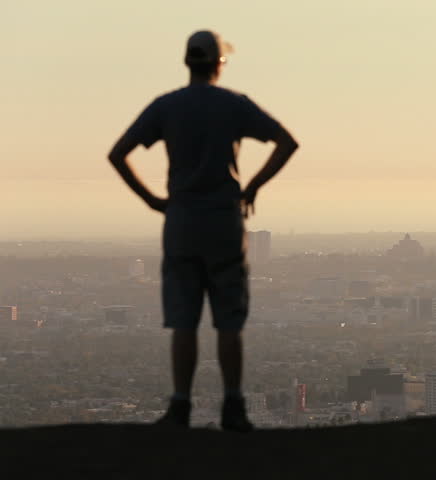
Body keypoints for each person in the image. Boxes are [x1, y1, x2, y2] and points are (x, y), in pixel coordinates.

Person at [108, 30, 298, 432]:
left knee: (183, 319)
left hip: (181, 221)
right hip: (224, 221)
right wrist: (253, 186)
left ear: (186, 63)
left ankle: (180, 407)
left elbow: (118, 153)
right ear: (219, 65)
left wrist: (152, 200)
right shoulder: (234, 106)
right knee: (229, 320)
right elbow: (285, 142)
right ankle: (233, 407)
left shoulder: (166, 107)